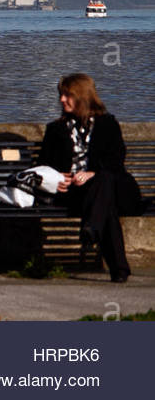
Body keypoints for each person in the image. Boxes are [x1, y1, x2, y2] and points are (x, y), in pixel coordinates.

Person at [37, 73, 140, 283]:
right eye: (61, 95)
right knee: (105, 204)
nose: (61, 100)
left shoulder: (107, 124)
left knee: (104, 183)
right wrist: (58, 178)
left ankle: (92, 228)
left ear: (82, 96)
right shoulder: (55, 129)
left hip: (110, 186)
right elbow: (43, 164)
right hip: (76, 193)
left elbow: (116, 160)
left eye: (67, 95)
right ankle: (116, 265)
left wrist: (94, 173)